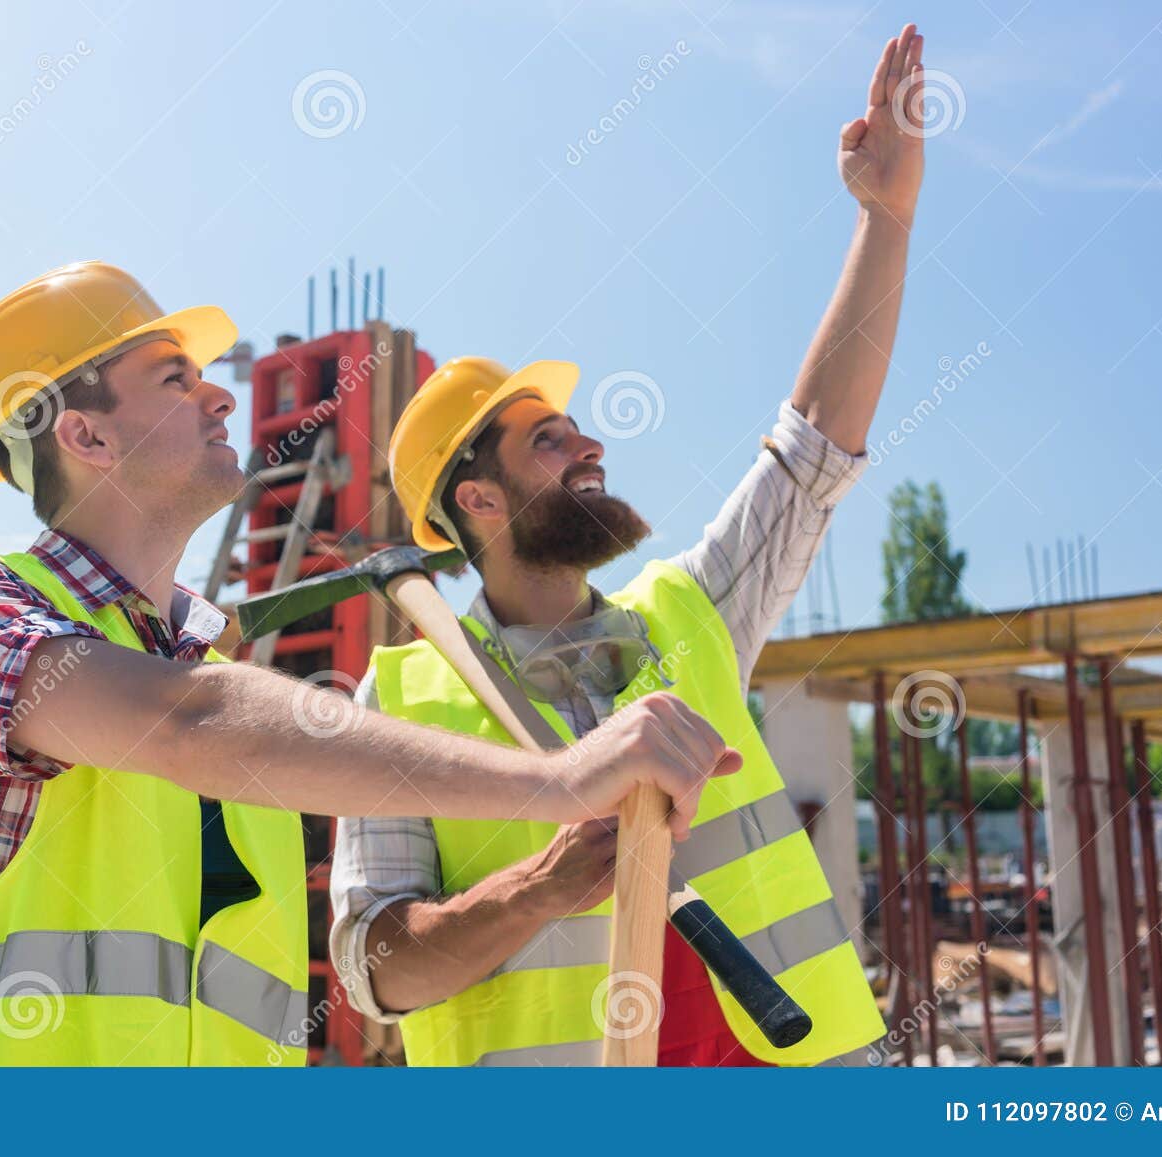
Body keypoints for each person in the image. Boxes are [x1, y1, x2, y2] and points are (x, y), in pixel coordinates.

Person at [0, 261, 738, 1067]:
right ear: (85, 436)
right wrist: (559, 780)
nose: (222, 397)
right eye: (176, 378)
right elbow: (187, 718)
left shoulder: (216, 680)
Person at [330, 24, 929, 1067]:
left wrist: (885, 220)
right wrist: (543, 882)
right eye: (548, 438)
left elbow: (814, 449)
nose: (590, 442)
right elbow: (377, 971)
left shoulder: (688, 614)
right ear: (476, 497)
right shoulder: (403, 701)